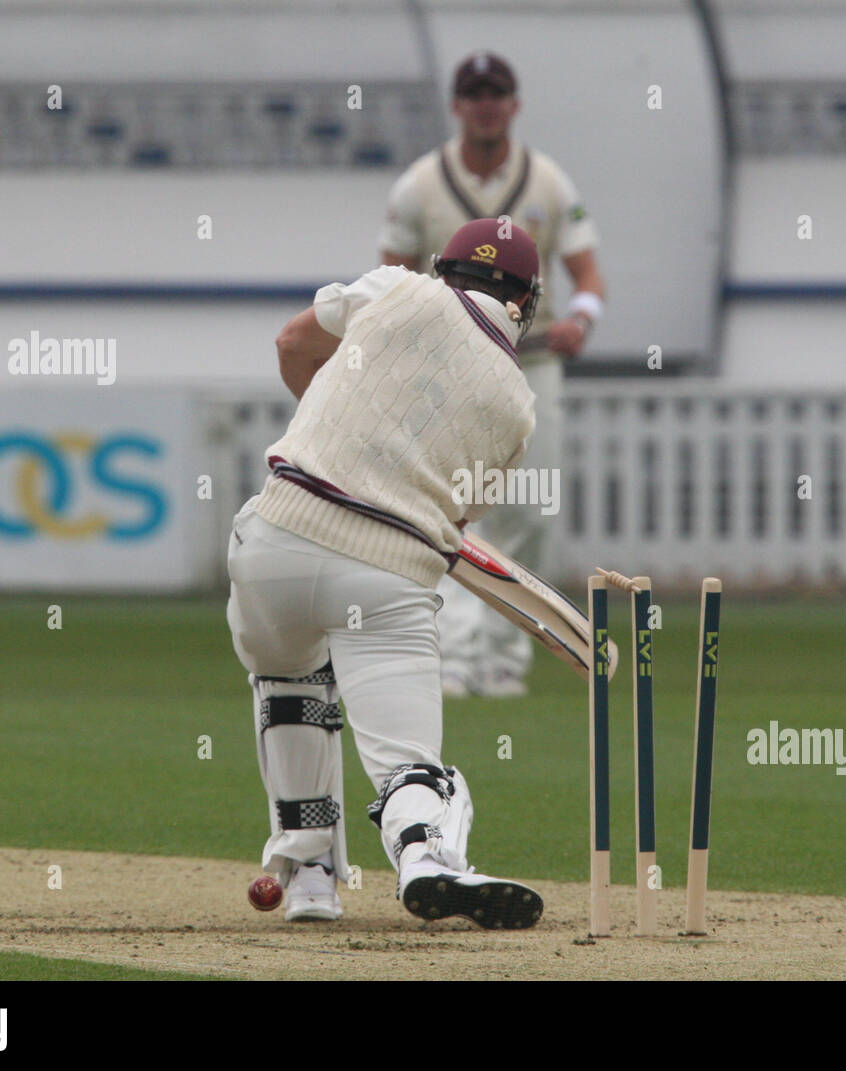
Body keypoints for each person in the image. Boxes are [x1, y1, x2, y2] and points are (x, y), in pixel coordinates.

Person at [225, 219, 545, 929]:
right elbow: (459, 518)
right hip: (389, 573)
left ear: (443, 268)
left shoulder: (395, 288)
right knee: (410, 764)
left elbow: (291, 342)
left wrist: (331, 428)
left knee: (290, 682)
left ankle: (308, 874)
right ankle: (423, 852)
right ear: (525, 300)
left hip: (275, 537)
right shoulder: (519, 408)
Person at [379, 51, 605, 698]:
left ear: (514, 103)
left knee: (530, 510)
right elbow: (390, 277)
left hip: (532, 363)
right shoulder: (419, 184)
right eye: (474, 93)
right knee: (451, 510)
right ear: (456, 105)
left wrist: (581, 323)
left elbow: (589, 275)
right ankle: (453, 655)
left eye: (496, 93)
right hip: (447, 368)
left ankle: (507, 657)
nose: (485, 104)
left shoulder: (549, 182)